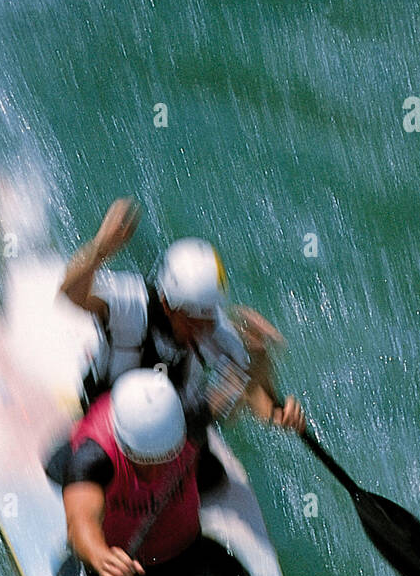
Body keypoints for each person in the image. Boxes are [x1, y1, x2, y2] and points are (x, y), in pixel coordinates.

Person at [55, 198, 307, 490]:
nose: (201, 330)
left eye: (208, 319)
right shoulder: (131, 304)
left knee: (214, 477)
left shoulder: (213, 328)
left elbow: (254, 394)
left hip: (172, 437)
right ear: (166, 302)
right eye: (191, 320)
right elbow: (70, 293)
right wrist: (100, 249)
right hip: (110, 425)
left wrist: (279, 414)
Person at [56, 368, 253, 576]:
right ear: (123, 444)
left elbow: (243, 385)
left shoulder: (192, 416)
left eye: (165, 458)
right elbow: (80, 522)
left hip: (185, 553)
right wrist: (101, 556)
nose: (153, 476)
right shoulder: (92, 455)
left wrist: (257, 359)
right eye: (142, 462)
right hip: (123, 573)